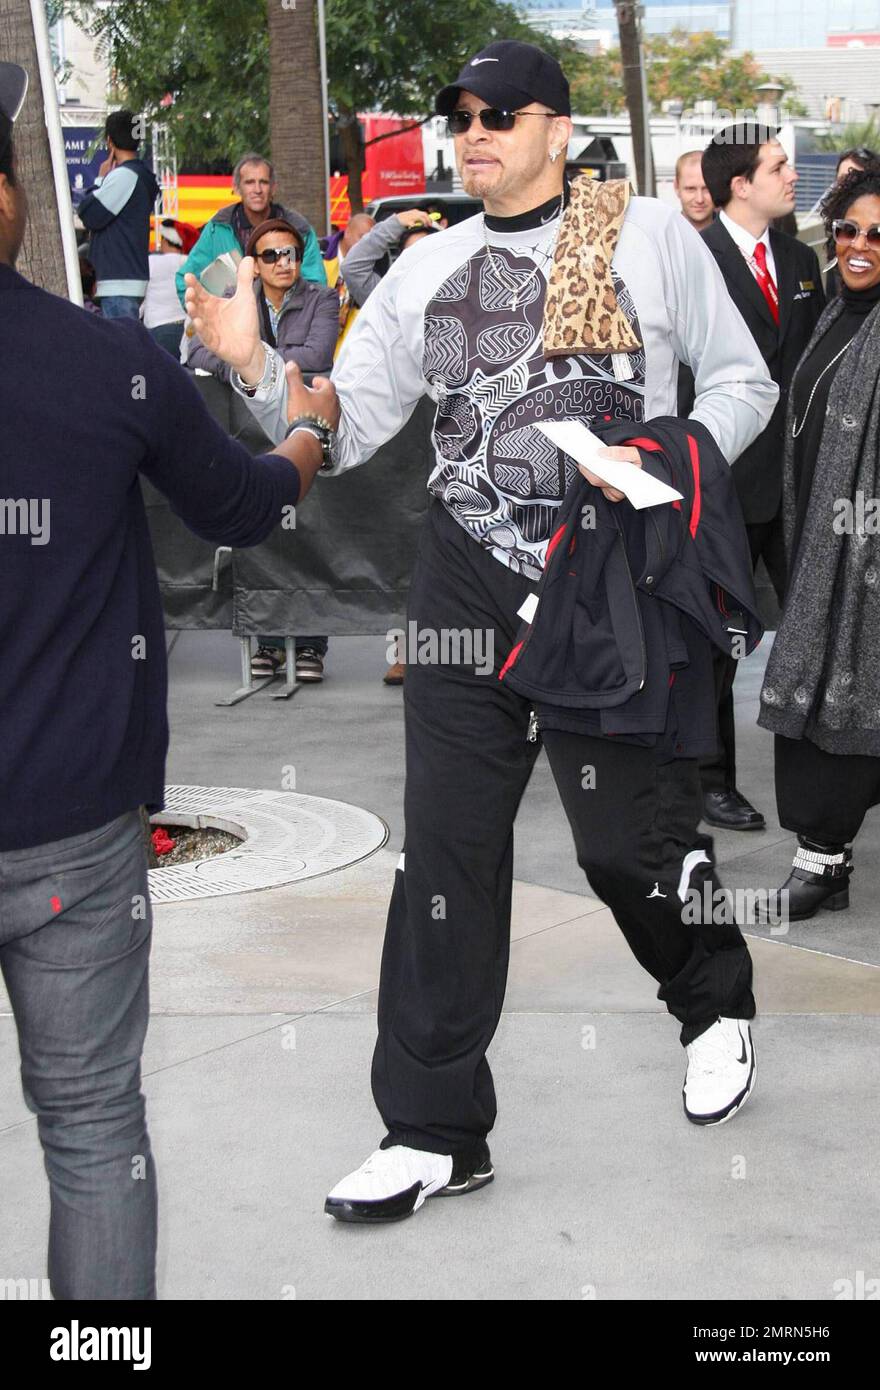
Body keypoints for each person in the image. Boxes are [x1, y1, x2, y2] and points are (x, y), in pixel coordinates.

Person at [187, 40, 778, 1223]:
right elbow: (344, 422)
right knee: (444, 858)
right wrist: (258, 370)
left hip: (603, 575)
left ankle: (711, 997)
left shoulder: (646, 234)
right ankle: (433, 1128)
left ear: (557, 128)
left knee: (625, 849)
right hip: (464, 585)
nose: (474, 132)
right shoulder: (425, 268)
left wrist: (667, 461)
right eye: (460, 114)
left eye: (499, 113)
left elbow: (742, 382)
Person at [0, 61, 328, 1298]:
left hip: (74, 833)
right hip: (72, 832)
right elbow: (244, 508)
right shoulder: (103, 365)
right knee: (90, 1133)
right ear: (11, 205)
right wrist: (302, 430)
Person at [692, 125, 825, 832]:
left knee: (814, 626)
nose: (789, 176)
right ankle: (710, 781)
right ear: (739, 184)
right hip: (723, 483)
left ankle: (828, 777)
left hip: (797, 484)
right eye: (777, 166)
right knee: (719, 639)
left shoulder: (803, 259)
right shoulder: (694, 259)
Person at [757, 165, 880, 919]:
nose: (861, 246)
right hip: (826, 549)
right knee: (820, 685)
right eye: (848, 229)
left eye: (879, 235)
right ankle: (823, 862)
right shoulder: (838, 312)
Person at [189, 216, 338, 683]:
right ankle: (265, 646)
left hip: (304, 435)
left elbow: (318, 355)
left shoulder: (323, 298)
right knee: (260, 538)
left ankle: (311, 646)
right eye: (270, 255)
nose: (282, 262)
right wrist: (242, 370)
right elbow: (196, 351)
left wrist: (252, 361)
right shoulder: (238, 301)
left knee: (310, 541)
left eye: (290, 254)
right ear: (255, 262)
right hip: (248, 439)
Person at [175, 152, 326, 306]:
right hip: (233, 326)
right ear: (237, 188)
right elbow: (185, 280)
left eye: (264, 182)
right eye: (249, 182)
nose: (257, 189)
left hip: (288, 326)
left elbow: (316, 286)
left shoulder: (298, 229)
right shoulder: (218, 228)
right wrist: (211, 317)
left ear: (273, 188)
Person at [77, 110, 159, 320]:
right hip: (128, 280)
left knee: (119, 349)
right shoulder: (141, 175)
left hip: (118, 282)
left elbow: (90, 214)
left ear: (109, 142)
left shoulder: (124, 176)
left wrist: (100, 179)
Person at [323, 212, 375, 356]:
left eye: (371, 240)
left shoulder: (376, 263)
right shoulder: (321, 251)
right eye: (362, 237)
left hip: (352, 349)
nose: (367, 245)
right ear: (346, 233)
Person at [141, 218, 187, 357]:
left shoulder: (151, 262)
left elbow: (142, 295)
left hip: (158, 328)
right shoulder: (188, 261)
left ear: (165, 241)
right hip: (185, 330)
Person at [673, 150, 714, 233]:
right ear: (677, 187)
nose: (700, 199)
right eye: (691, 189)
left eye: (707, 189)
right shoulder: (664, 237)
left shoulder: (735, 236)